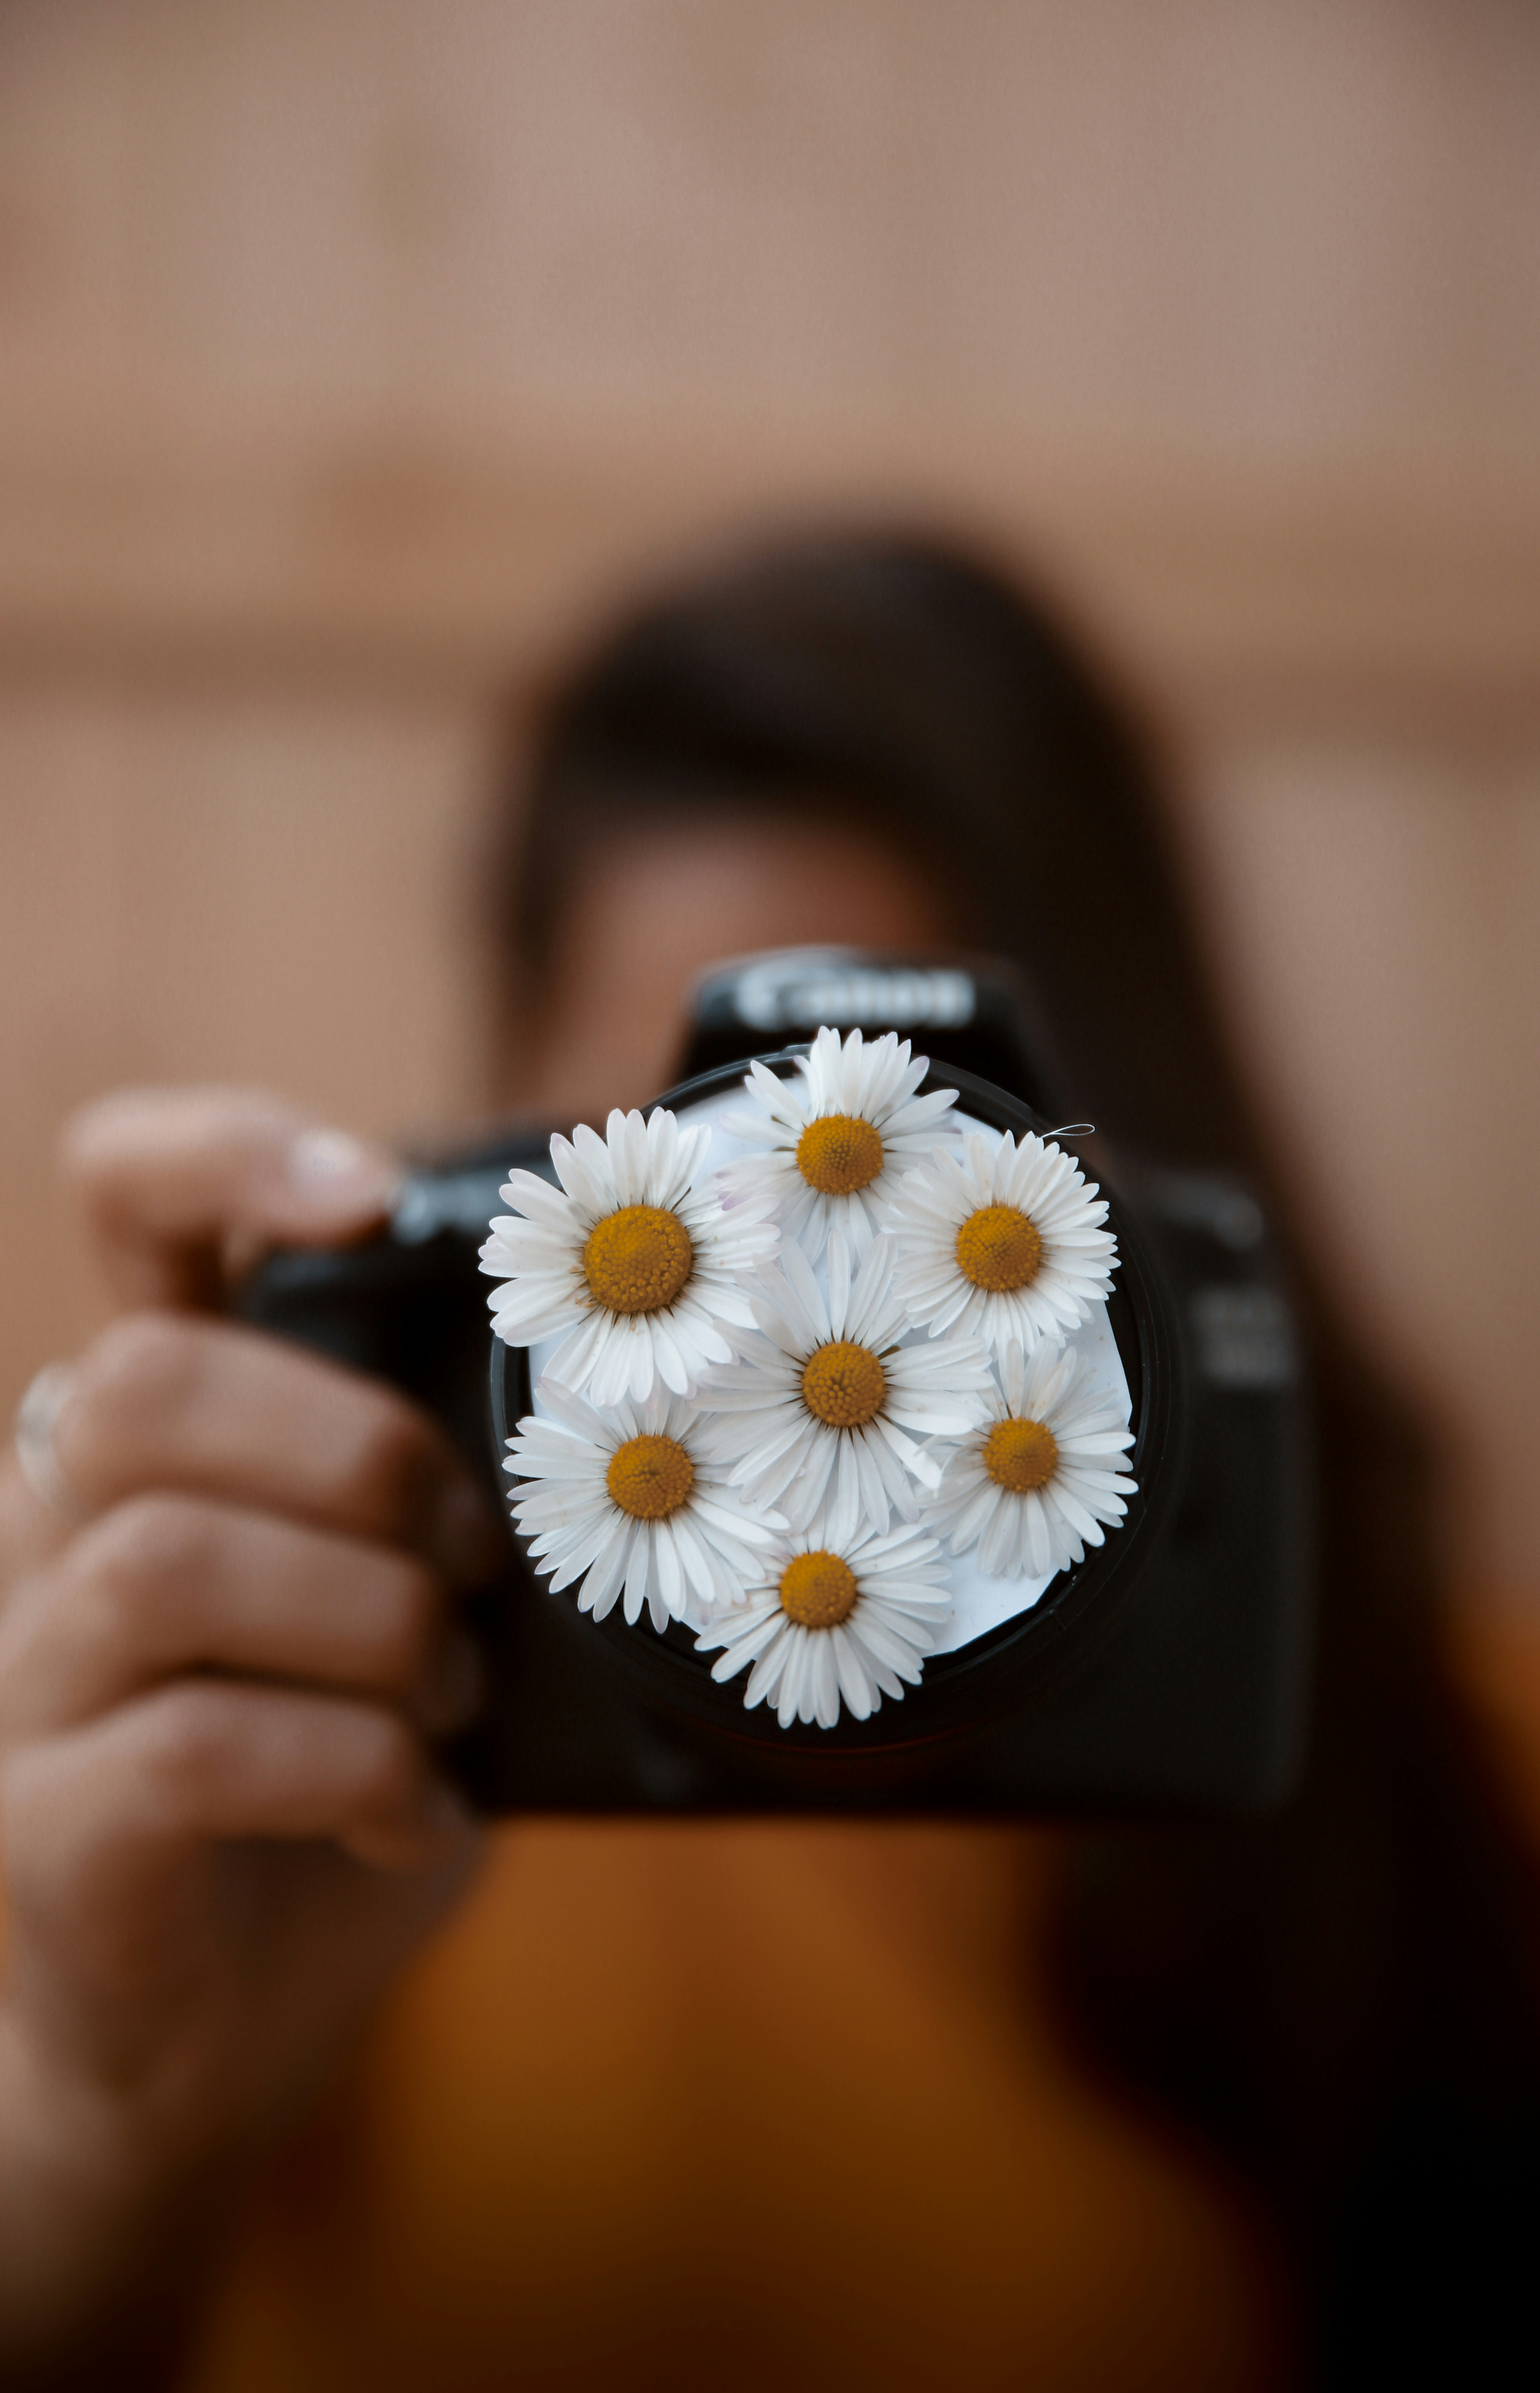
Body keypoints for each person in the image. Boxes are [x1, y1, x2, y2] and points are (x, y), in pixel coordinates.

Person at [1, 532, 1536, 2390]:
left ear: (1135, 1208)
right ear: (514, 1200)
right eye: (690, 1212)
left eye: (911, 1203)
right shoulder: (328, 1752)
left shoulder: (1461, 1785)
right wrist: (90, 2152)